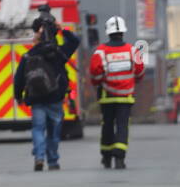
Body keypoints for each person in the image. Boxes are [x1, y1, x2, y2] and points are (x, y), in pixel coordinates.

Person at [13, 10, 80, 172]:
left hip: (36, 99)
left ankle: (39, 157)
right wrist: (61, 28)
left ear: (36, 34)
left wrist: (19, 96)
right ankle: (53, 161)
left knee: (38, 128)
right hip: (55, 98)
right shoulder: (59, 52)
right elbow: (75, 41)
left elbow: (19, 78)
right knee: (54, 131)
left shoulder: (28, 55)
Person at [89, 16, 144, 169]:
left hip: (107, 97)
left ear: (108, 32)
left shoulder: (100, 52)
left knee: (107, 125)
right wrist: (133, 81)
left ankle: (106, 157)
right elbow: (139, 72)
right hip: (125, 97)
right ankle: (119, 157)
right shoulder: (133, 50)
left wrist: (99, 82)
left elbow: (95, 74)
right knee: (122, 125)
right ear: (123, 32)